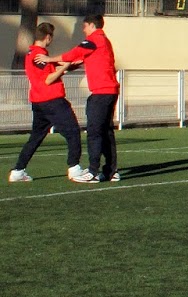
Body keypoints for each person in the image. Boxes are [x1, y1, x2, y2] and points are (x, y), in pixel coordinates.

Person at [11, 22, 86, 183]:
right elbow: (48, 79)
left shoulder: (33, 53)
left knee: (36, 137)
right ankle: (74, 168)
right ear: (48, 37)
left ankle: (18, 170)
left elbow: (54, 68)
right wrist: (64, 65)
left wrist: (71, 64)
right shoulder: (39, 55)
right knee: (73, 131)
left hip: (38, 102)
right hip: (52, 100)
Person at [57, 13, 119, 182]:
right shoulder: (104, 41)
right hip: (109, 90)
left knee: (94, 131)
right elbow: (79, 59)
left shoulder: (94, 39)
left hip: (101, 92)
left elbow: (73, 54)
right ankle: (111, 171)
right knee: (106, 131)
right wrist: (65, 65)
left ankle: (92, 171)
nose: (83, 30)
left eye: (84, 26)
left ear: (92, 25)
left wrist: (50, 59)